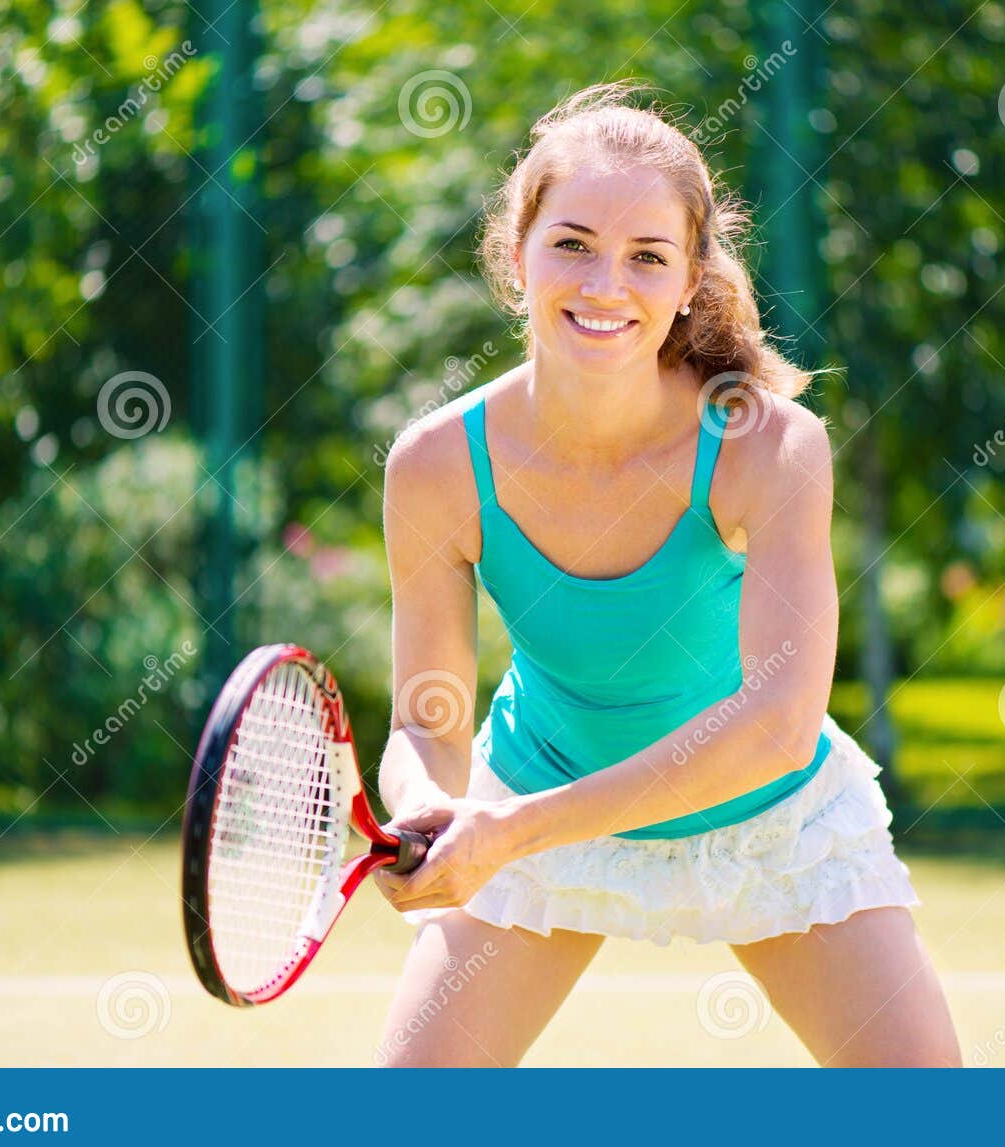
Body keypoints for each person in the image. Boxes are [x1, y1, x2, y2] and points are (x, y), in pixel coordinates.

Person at [372, 82, 960, 1067]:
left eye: (648, 256)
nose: (606, 284)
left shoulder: (769, 446)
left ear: (691, 279)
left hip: (767, 821)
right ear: (515, 255)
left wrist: (508, 833)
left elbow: (777, 728)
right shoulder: (434, 465)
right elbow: (426, 721)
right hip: (536, 791)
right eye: (571, 243)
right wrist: (426, 807)